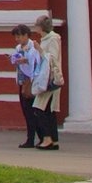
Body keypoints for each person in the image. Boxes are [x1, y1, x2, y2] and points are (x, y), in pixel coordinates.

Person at [8, 25, 45, 148]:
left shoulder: (33, 48)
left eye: (19, 36)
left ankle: (38, 137)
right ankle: (36, 138)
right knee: (27, 112)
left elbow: (35, 63)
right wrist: (14, 59)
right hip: (22, 82)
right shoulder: (19, 48)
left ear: (26, 35)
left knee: (32, 112)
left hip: (30, 82)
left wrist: (25, 60)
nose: (17, 39)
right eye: (15, 37)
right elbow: (17, 61)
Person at [31, 17, 64, 151]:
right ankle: (53, 140)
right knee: (49, 110)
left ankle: (47, 138)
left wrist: (40, 50)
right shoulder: (46, 39)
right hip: (46, 78)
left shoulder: (53, 39)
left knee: (39, 109)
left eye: (36, 25)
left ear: (41, 27)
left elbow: (53, 58)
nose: (35, 27)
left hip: (49, 79)